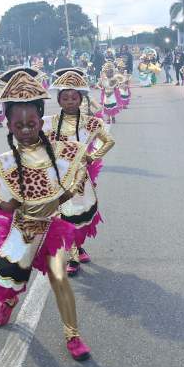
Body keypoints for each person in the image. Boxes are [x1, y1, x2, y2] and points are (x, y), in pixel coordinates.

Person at [0, 67, 92, 361]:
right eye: (19, 125)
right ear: (10, 126)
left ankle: (73, 335)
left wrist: (68, 191)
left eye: (32, 123)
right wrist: (3, 204)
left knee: (60, 277)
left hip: (52, 228)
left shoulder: (61, 152)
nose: (26, 129)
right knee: (13, 276)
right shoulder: (7, 160)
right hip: (22, 229)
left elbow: (79, 173)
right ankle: (9, 301)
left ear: (40, 120)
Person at [45, 68, 115, 275]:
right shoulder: (50, 122)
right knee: (64, 216)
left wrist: (92, 157)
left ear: (80, 99)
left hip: (82, 180)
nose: (69, 102)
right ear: (59, 100)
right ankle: (73, 256)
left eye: (73, 97)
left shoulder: (91, 123)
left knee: (81, 216)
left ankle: (78, 246)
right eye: (65, 98)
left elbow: (109, 141)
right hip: (59, 180)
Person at [98, 61, 121, 125]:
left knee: (112, 106)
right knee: (106, 107)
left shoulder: (114, 79)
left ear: (112, 72)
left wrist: (115, 86)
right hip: (106, 95)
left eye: (110, 72)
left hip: (112, 95)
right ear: (105, 72)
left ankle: (113, 117)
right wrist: (101, 86)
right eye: (107, 72)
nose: (108, 73)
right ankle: (108, 118)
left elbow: (117, 85)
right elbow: (99, 85)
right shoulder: (103, 79)